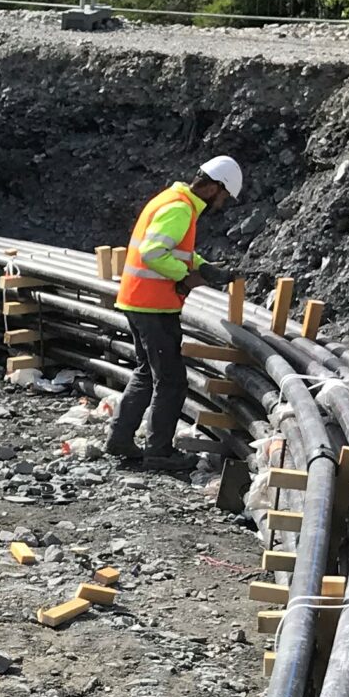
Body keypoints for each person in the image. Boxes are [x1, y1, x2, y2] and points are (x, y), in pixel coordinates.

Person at [106, 155, 244, 472]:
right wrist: (183, 276)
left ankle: (120, 439)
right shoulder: (180, 209)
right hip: (154, 305)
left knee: (146, 372)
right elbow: (153, 253)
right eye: (223, 197)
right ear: (213, 188)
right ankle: (159, 452)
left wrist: (202, 267)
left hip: (138, 302)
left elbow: (171, 248)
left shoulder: (171, 200)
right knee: (171, 381)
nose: (221, 205)